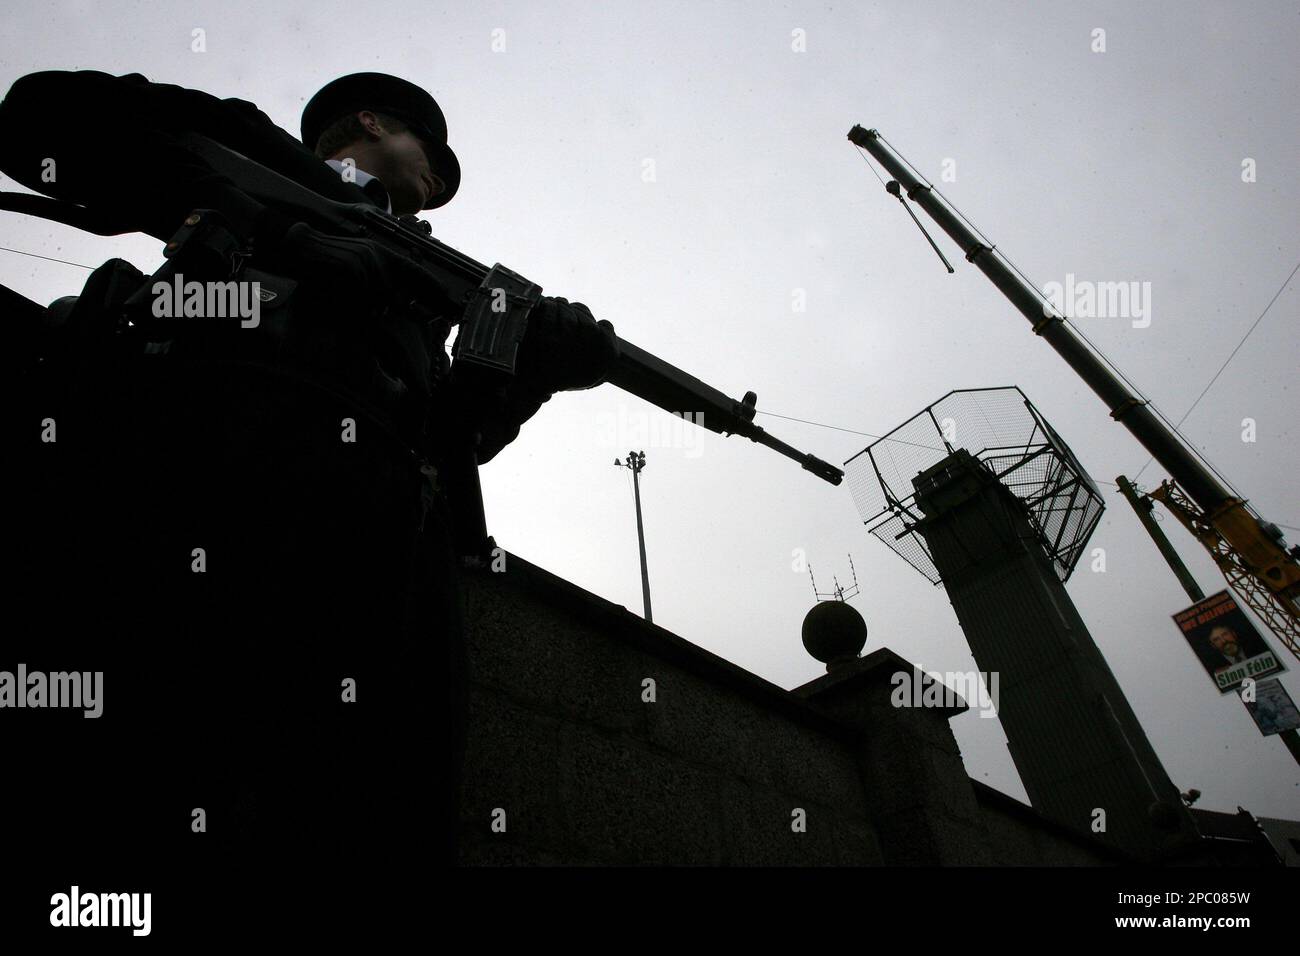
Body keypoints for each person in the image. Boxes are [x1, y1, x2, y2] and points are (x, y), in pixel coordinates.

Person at [0, 69, 618, 881]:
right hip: (209, 451)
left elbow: (449, 433)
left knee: (372, 809)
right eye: (427, 152)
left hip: (381, 531)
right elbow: (37, 117)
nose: (436, 183)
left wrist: (534, 370)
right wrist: (282, 227)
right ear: (368, 121)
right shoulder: (251, 153)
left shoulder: (435, 283)